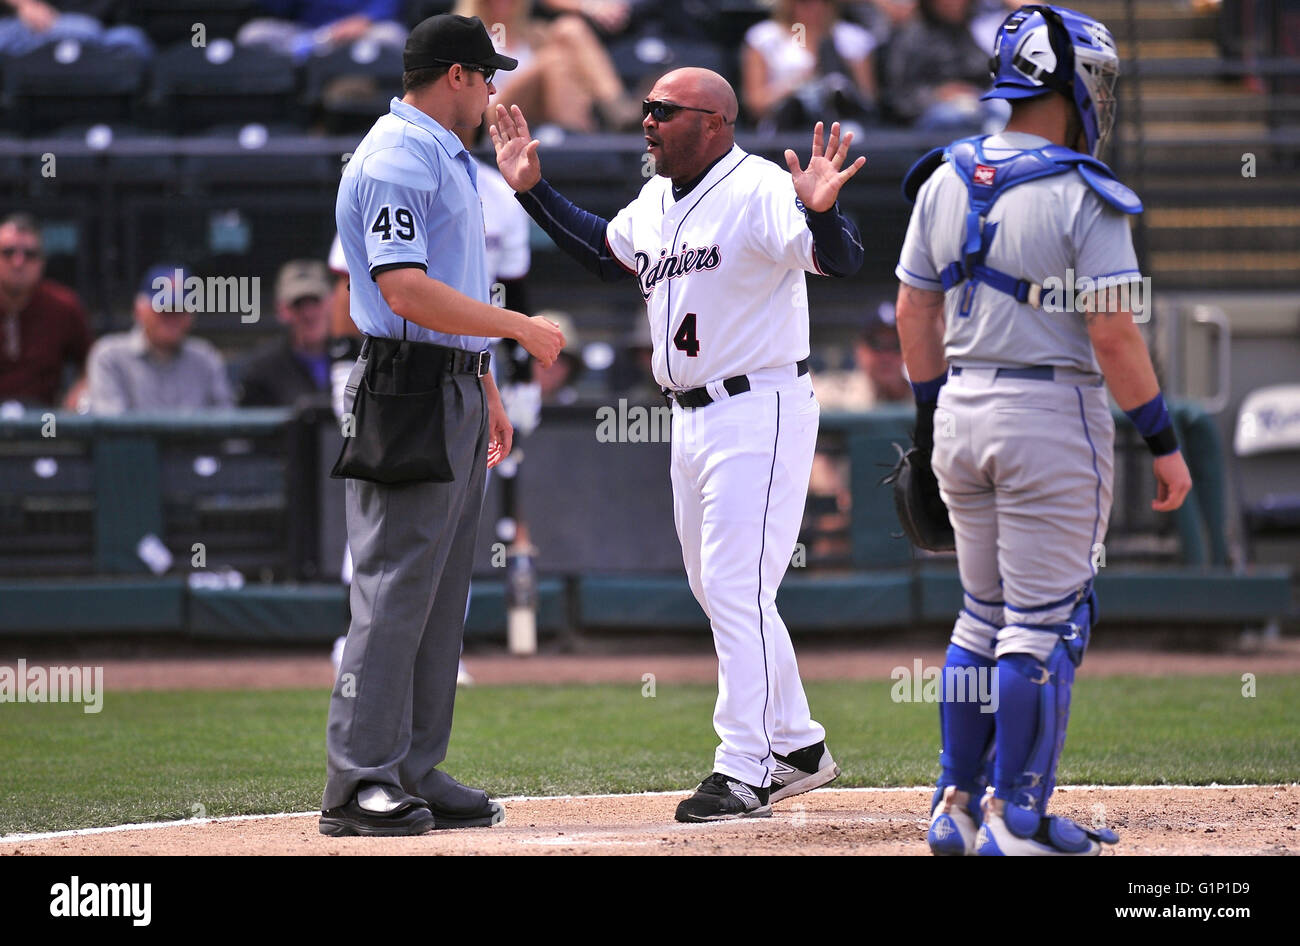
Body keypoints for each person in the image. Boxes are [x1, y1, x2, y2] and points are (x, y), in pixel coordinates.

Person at [492, 67, 867, 822]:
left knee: (736, 589)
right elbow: (608, 253)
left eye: (664, 110)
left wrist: (824, 213)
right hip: (690, 417)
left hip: (757, 404)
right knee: (720, 590)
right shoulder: (658, 199)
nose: (648, 121)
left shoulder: (758, 186)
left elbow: (840, 259)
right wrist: (531, 189)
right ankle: (795, 744)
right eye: (645, 108)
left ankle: (746, 766)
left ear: (715, 123)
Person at [894, 4, 1193, 855]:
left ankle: (955, 808)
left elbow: (913, 308)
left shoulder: (945, 175)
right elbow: (1113, 333)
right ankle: (1016, 817)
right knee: (1045, 625)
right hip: (1049, 414)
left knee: (979, 619)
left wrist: (926, 416)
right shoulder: (1083, 191)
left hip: (958, 409)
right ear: (1072, 84)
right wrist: (1163, 441)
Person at [320, 12, 564, 838]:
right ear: (454, 75)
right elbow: (404, 290)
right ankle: (360, 781)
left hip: (453, 383)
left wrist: (485, 376)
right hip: (406, 387)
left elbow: (448, 285)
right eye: (485, 73)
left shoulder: (445, 155)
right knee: (391, 591)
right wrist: (517, 329)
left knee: (438, 594)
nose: (494, 88)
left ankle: (414, 767)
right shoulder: (396, 154)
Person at [454, 0, 640, 132]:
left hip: (534, 109)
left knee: (570, 29)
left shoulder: (532, 33)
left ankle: (615, 109)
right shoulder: (469, 34)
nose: (503, 2)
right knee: (554, 58)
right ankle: (578, 134)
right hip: (491, 111)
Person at [85, 265, 233, 413]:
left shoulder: (205, 357)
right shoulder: (110, 356)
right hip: (132, 437)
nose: (172, 316)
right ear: (139, 310)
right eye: (163, 308)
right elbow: (111, 428)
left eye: (180, 309)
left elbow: (226, 426)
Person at [239, 259, 360, 408]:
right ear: (281, 309)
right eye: (298, 304)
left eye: (315, 301)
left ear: (331, 302)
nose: (308, 314)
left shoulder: (359, 357)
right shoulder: (262, 369)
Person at [741, 0, 878, 132]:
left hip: (841, 124)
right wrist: (796, 83)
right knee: (795, 107)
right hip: (785, 124)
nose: (815, 6)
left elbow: (868, 100)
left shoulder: (852, 38)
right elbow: (755, 103)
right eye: (805, 1)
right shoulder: (764, 37)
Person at [0, 213, 91, 409]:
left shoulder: (63, 305)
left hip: (45, 422)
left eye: (29, 254)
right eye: (8, 252)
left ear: (42, 262)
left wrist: (78, 395)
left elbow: (91, 364)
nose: (18, 262)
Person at [879, 0, 1002, 131]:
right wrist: (936, 94)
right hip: (925, 116)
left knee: (1004, 104)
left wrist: (968, 90)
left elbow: (984, 72)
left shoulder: (968, 32)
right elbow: (897, 96)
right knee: (953, 116)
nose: (954, 3)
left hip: (975, 103)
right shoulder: (909, 37)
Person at [237, 0, 407, 62]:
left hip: (361, 33)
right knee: (252, 34)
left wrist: (367, 19)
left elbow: (390, 5)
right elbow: (279, 7)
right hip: (309, 35)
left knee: (392, 35)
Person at [813, 302, 911, 409]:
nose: (886, 356)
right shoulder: (834, 394)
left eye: (897, 345)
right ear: (859, 349)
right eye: (876, 344)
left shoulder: (924, 396)